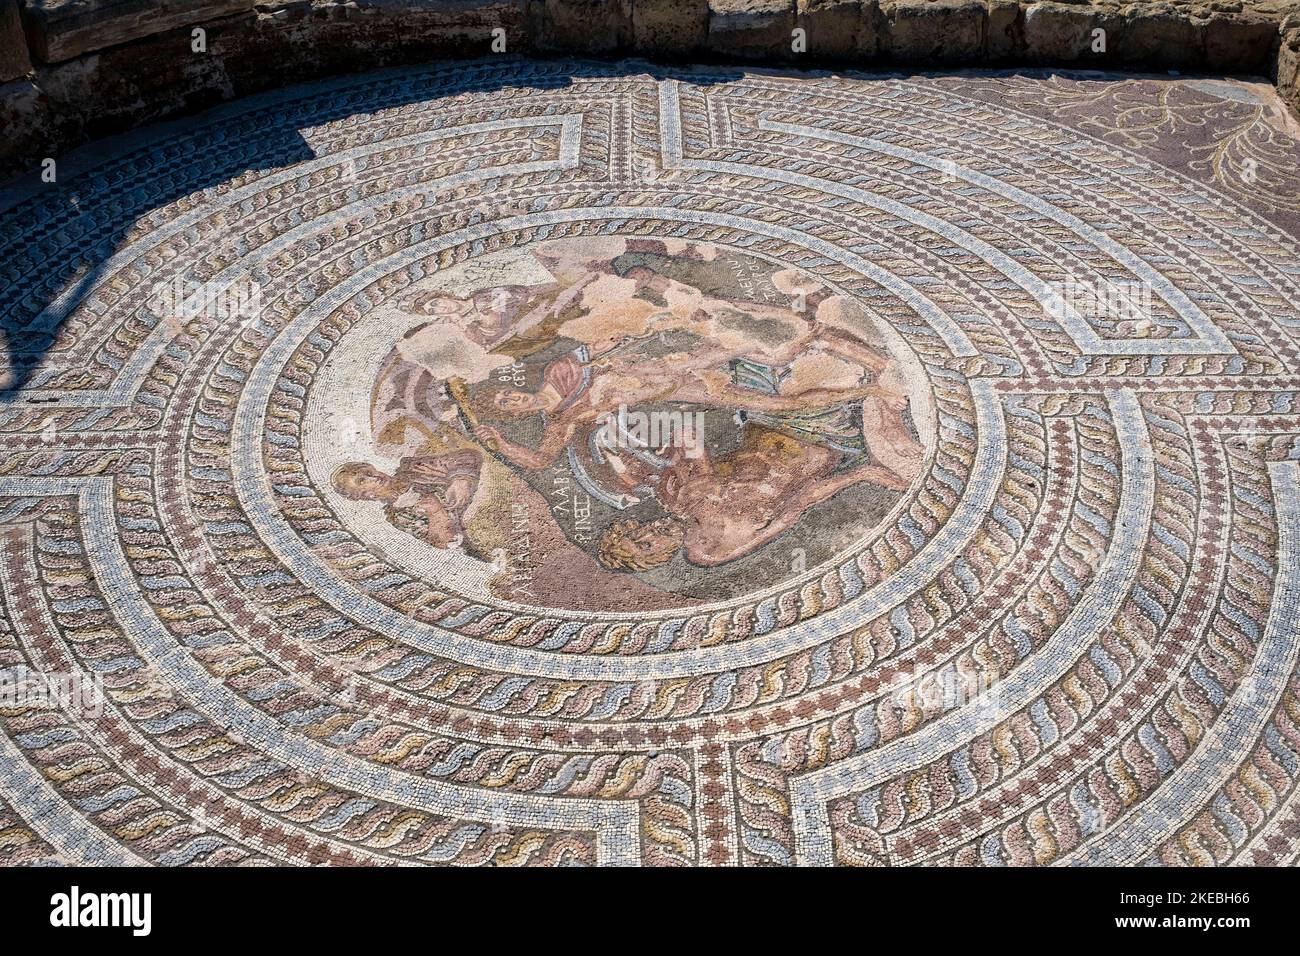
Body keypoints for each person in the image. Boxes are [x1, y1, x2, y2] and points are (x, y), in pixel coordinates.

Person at [331, 449, 483, 548]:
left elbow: (471, 454)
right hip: (479, 528)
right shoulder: (400, 516)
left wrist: (460, 478)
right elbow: (446, 542)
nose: (373, 477)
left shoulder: (412, 467)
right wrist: (436, 513)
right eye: (362, 481)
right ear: (365, 496)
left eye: (368, 472)